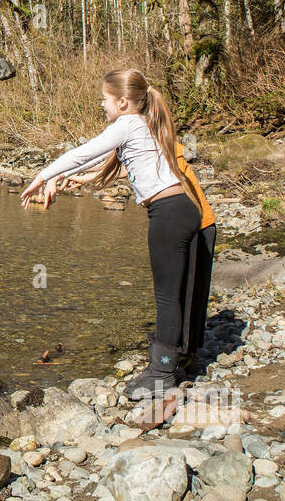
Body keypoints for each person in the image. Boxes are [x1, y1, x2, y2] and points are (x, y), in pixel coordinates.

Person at [20, 69, 215, 399]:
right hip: (181, 209)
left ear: (123, 102)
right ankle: (171, 364)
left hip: (168, 213)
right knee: (176, 292)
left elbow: (85, 152)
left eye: (104, 100)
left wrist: (43, 175)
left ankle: (162, 373)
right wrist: (70, 179)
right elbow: (124, 166)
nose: (102, 105)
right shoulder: (146, 125)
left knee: (167, 296)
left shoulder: (126, 123)